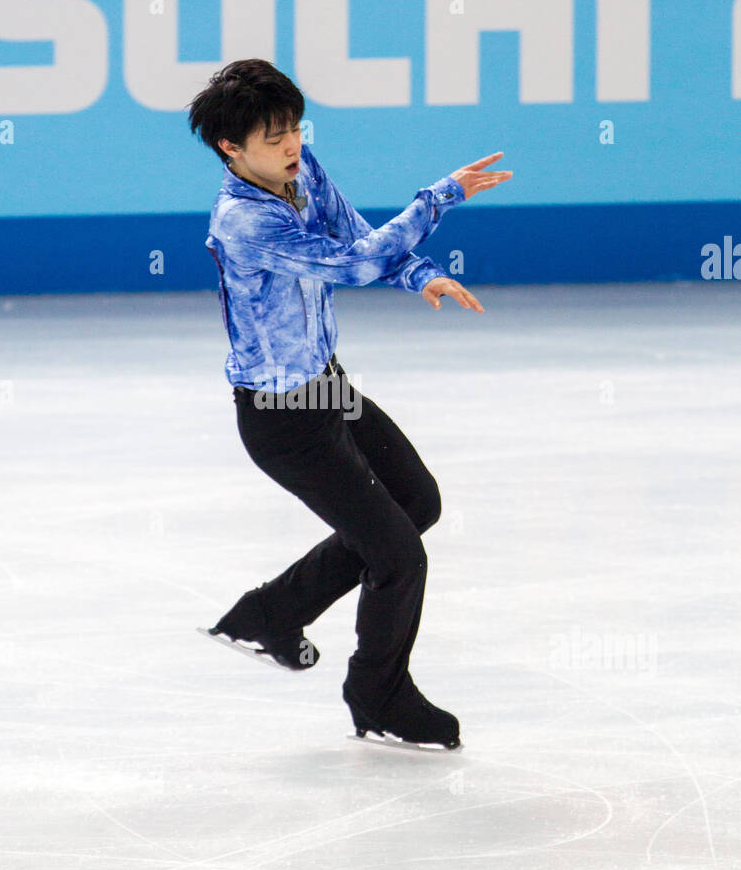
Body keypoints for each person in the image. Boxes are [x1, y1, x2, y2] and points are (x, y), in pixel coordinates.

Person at [188, 59, 512, 748]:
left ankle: (269, 613)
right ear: (230, 148)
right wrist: (438, 198)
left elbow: (358, 238)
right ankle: (379, 694)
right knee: (398, 555)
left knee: (417, 504)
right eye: (273, 137)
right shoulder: (245, 220)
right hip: (281, 420)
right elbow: (356, 265)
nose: (291, 145)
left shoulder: (301, 173)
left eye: (294, 128)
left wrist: (421, 273)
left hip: (327, 384)